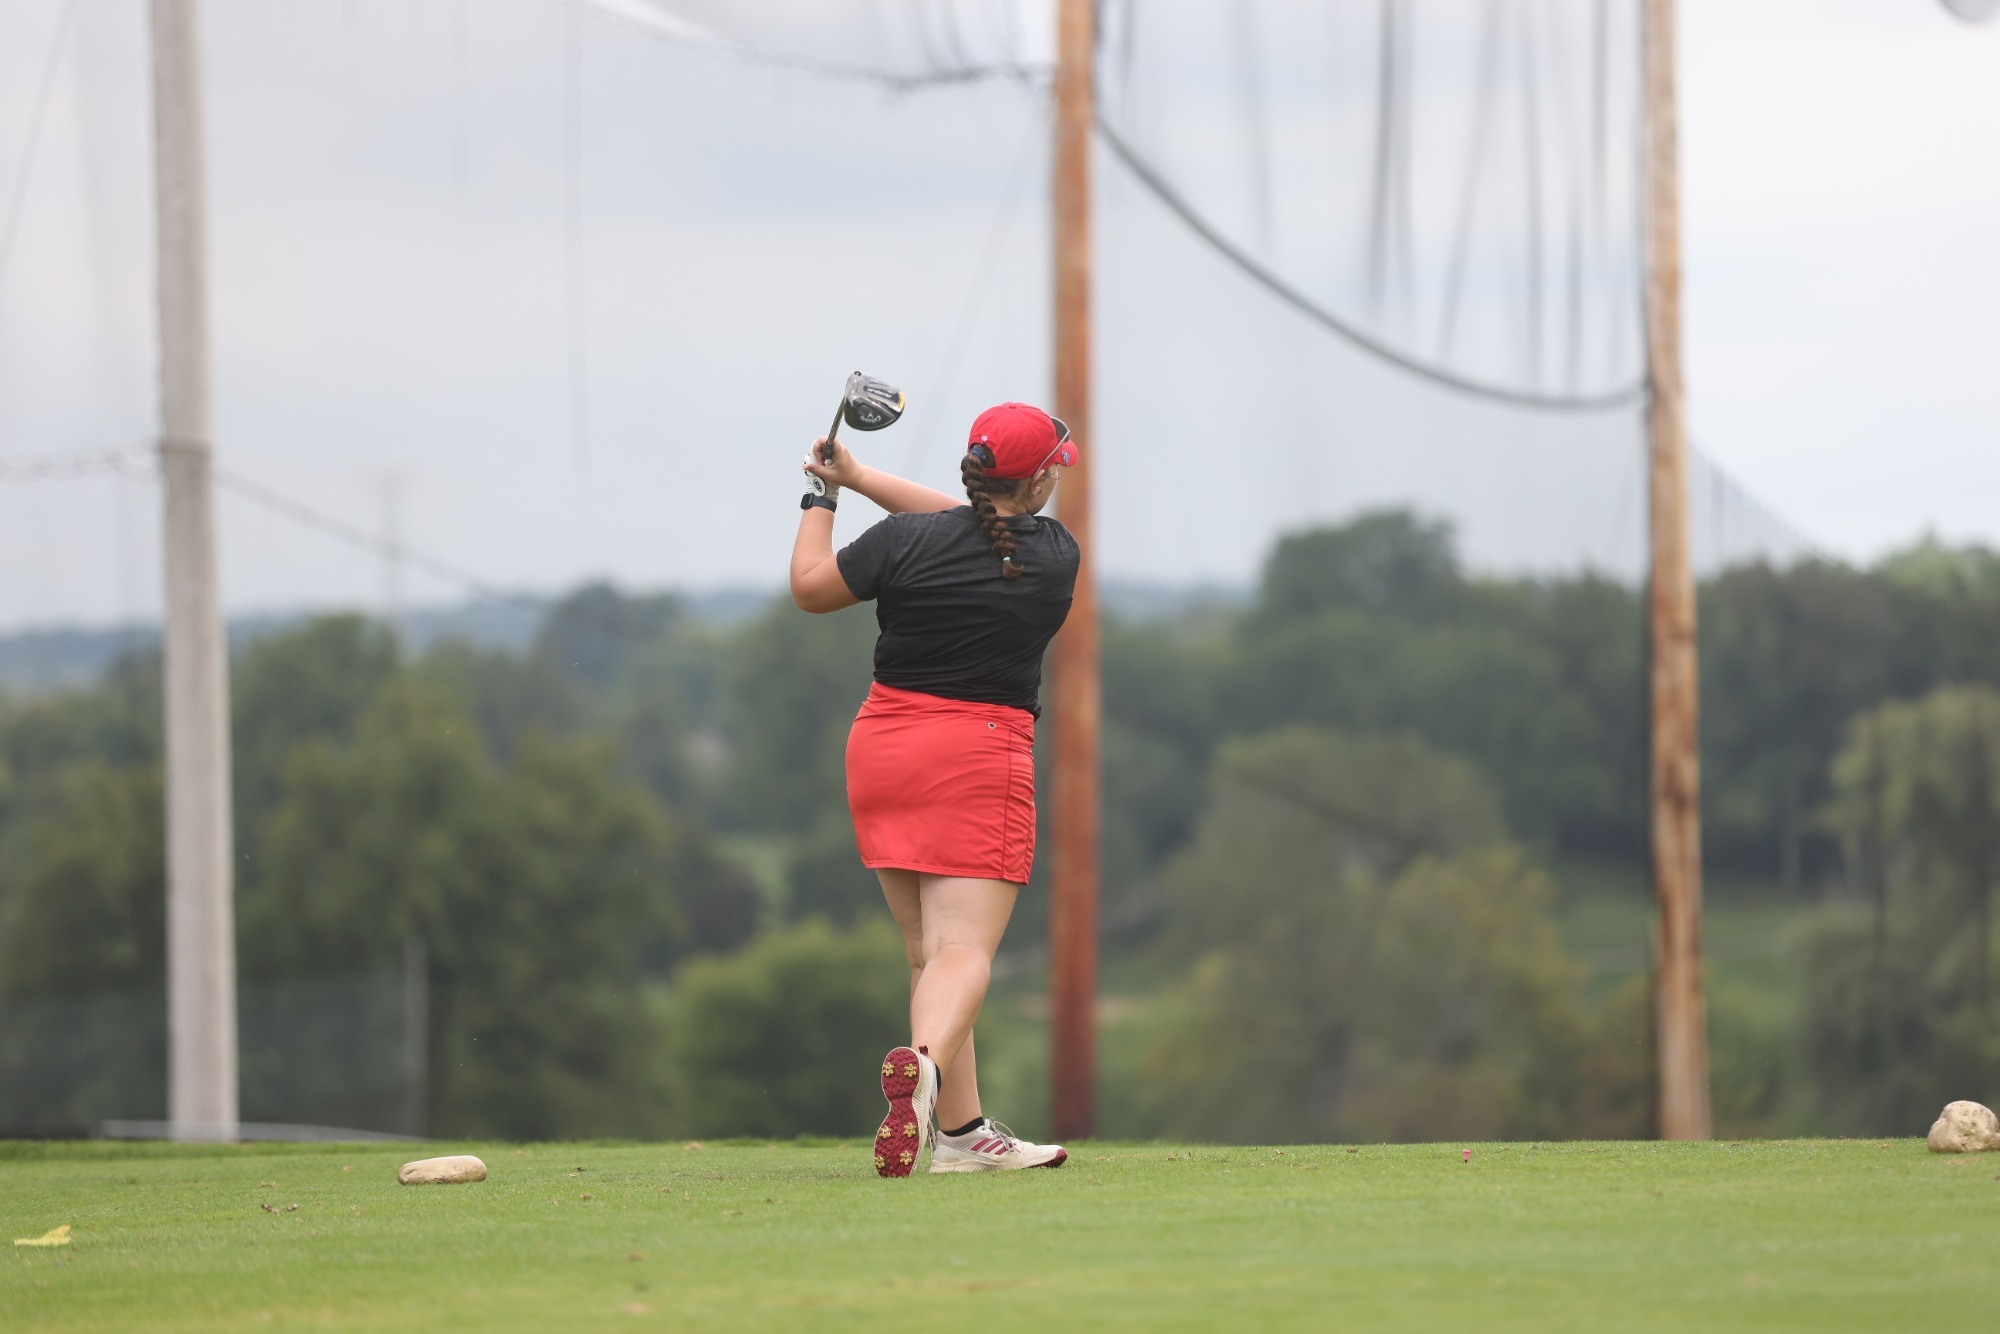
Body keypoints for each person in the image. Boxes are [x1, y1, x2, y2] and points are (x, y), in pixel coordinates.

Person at [790, 402, 1079, 1178]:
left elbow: (812, 588)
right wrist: (862, 479)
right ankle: (922, 1069)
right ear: (1045, 475)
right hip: (976, 754)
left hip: (881, 745)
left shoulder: (903, 542)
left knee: (929, 953)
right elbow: (970, 526)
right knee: (963, 950)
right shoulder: (1053, 555)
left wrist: (830, 494)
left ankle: (961, 1135)